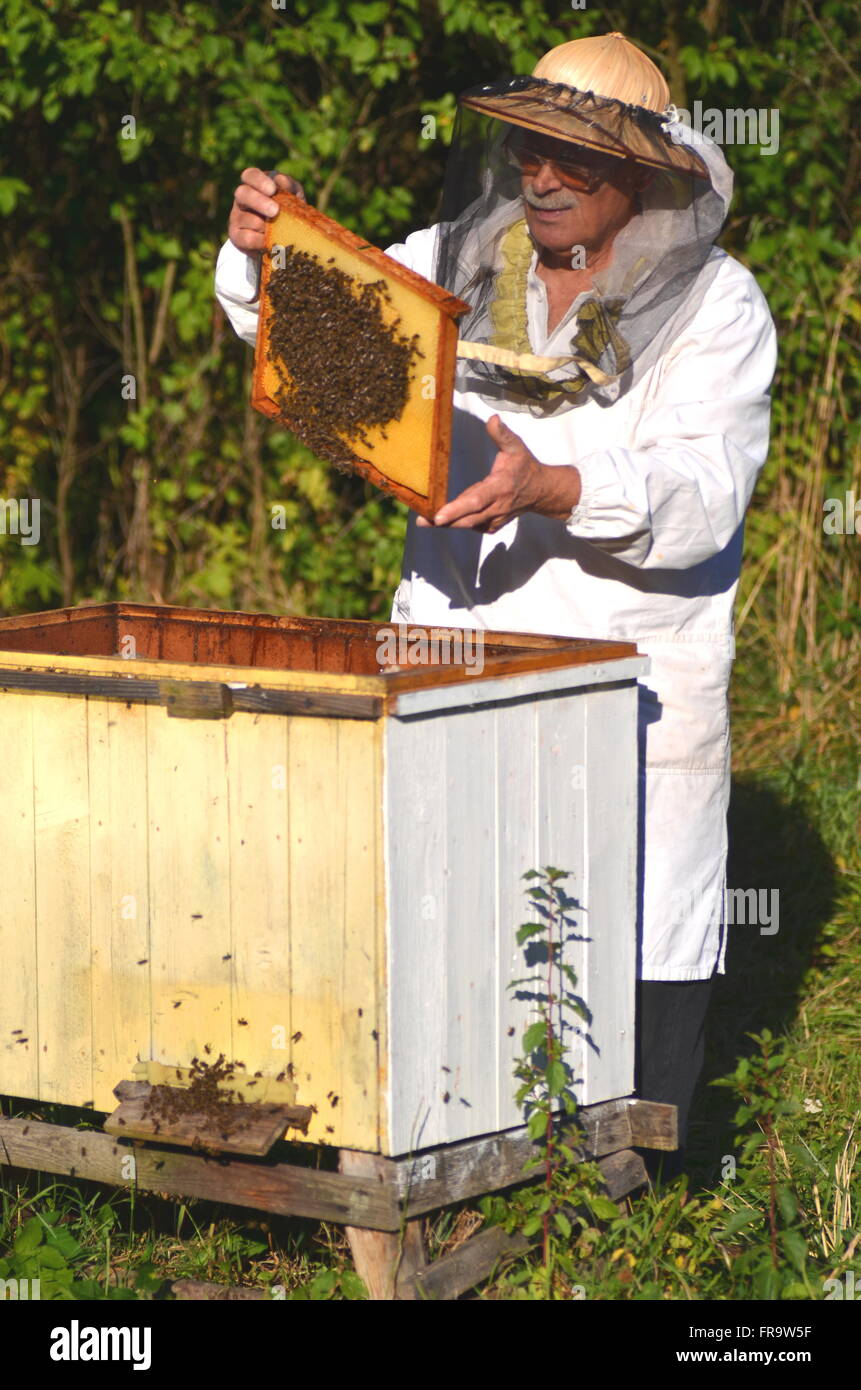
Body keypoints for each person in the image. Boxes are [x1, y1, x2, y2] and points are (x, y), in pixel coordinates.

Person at [214, 32, 777, 1177]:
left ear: (649, 176)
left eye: (580, 157)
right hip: (454, 652)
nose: (546, 176)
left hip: (626, 685)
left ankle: (628, 1228)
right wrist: (268, 255)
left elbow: (704, 500)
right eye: (531, 146)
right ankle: (455, 1185)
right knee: (452, 927)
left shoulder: (720, 307)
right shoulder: (463, 257)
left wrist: (555, 484)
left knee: (622, 954)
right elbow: (308, 332)